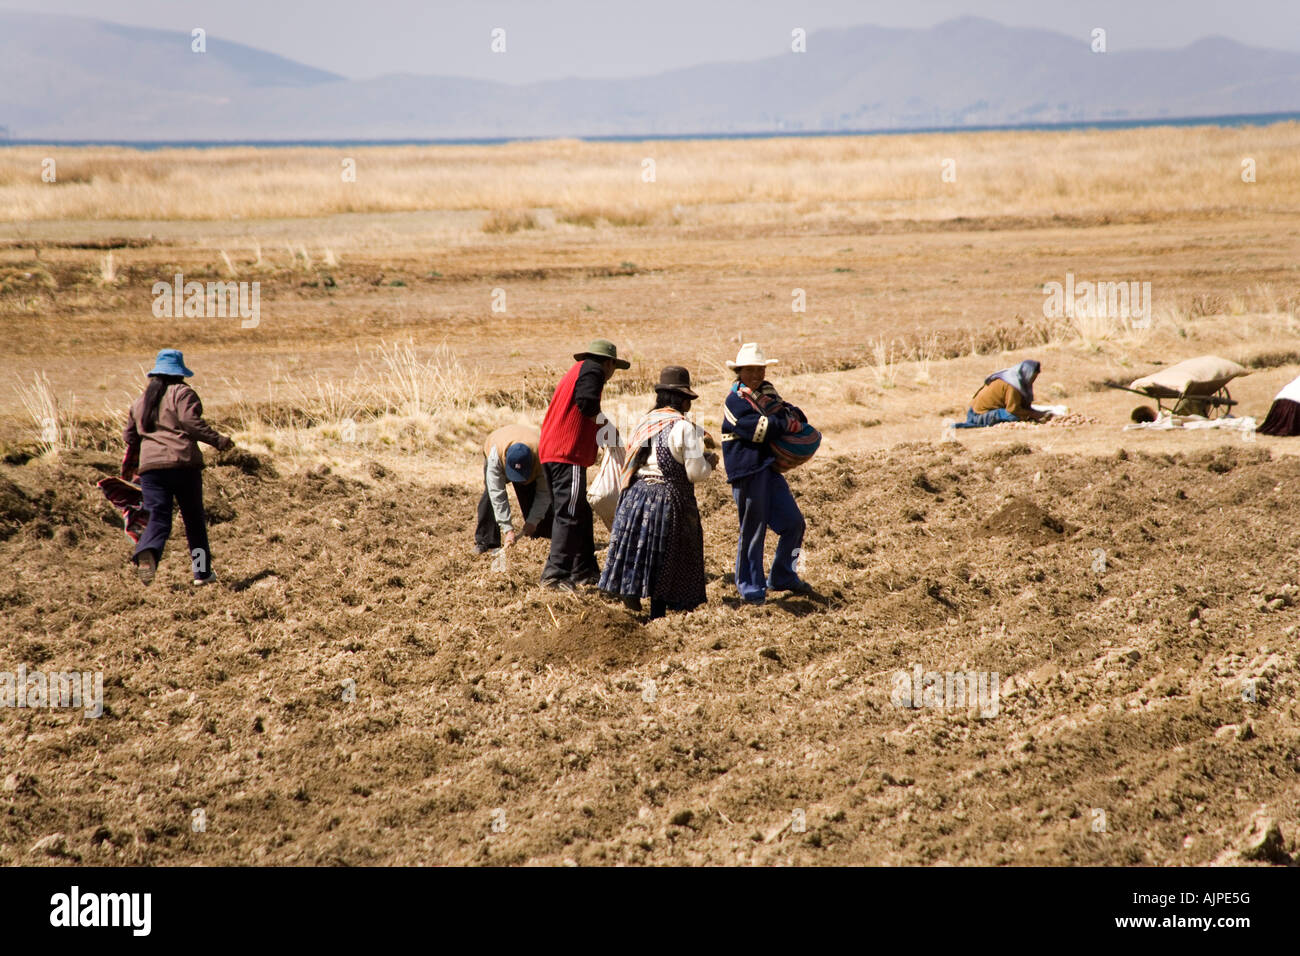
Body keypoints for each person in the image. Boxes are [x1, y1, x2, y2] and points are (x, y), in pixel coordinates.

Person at [599, 367, 717, 619]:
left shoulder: (646, 421)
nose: (690, 405)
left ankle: (630, 592)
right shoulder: (683, 428)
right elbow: (695, 473)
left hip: (636, 495)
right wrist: (710, 462)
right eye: (688, 400)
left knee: (640, 553)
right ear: (682, 400)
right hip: (667, 498)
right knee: (667, 559)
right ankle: (659, 612)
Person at [121, 349, 234, 586]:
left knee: (158, 517)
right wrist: (219, 441)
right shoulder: (183, 393)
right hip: (183, 465)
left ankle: (149, 551)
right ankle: (202, 573)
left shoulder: (140, 401)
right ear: (179, 374)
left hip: (151, 469)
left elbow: (129, 437)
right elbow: (191, 424)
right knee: (193, 520)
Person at [721, 343, 812, 605]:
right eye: (750, 370)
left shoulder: (767, 396)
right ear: (739, 372)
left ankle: (783, 575)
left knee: (794, 523)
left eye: (760, 369)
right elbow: (761, 428)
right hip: (748, 472)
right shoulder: (735, 402)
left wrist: (784, 420)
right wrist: (785, 422)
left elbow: (797, 416)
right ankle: (750, 588)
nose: (757, 375)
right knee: (753, 530)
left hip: (767, 469)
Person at [538, 338, 628, 591]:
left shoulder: (576, 371)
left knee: (579, 512)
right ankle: (554, 575)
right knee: (569, 514)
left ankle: (584, 571)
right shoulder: (593, 369)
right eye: (614, 367)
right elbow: (587, 402)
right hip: (568, 453)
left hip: (552, 450)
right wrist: (606, 426)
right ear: (609, 362)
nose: (611, 373)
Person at [475, 424, 553, 552]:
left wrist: (533, 521)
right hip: (496, 441)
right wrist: (508, 529)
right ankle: (486, 541)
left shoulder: (543, 457)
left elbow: (544, 493)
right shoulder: (495, 457)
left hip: (533, 450)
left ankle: (542, 534)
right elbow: (497, 493)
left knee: (530, 491)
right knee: (490, 495)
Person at [954, 359, 1051, 428]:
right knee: (1013, 416)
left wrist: (1036, 413)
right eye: (1032, 377)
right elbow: (1013, 410)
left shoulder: (1017, 380)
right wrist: (1035, 414)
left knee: (1023, 415)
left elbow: (1023, 406)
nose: (1033, 380)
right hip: (978, 415)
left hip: (977, 412)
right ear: (1026, 374)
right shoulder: (1013, 384)